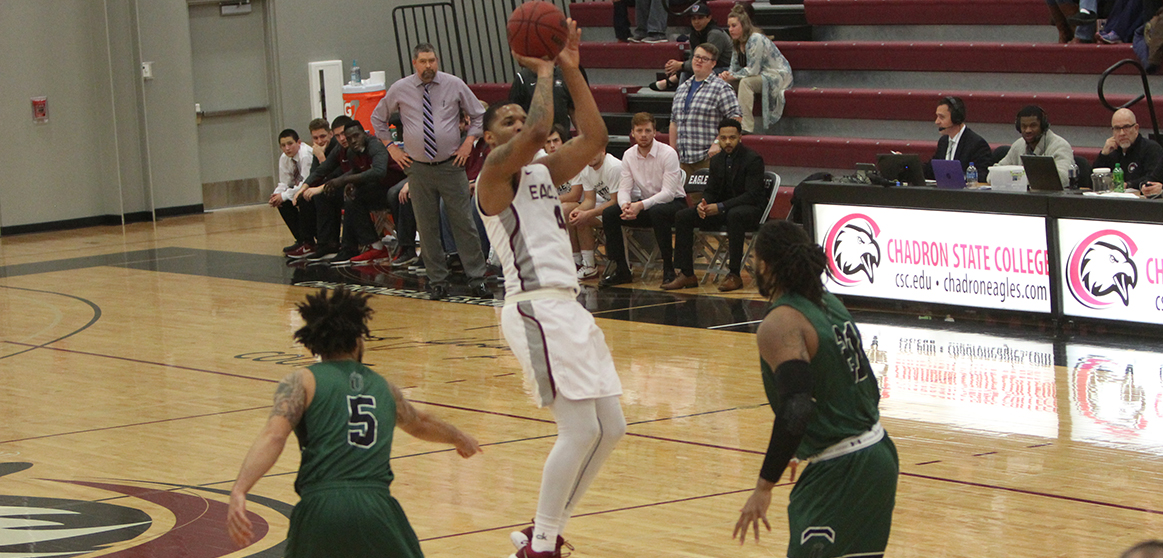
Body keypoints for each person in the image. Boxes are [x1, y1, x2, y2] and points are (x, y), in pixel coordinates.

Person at [476, 20, 625, 558]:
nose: (522, 124)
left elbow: (597, 139)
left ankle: (548, 528)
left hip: (568, 305)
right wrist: (541, 69)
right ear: (492, 138)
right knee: (579, 429)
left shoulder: (542, 171)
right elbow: (540, 130)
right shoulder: (493, 174)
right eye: (508, 120)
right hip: (533, 306)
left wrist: (570, 67)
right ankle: (541, 544)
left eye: (522, 116)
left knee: (611, 426)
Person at [225, 287, 481, 557]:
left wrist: (240, 489)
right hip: (377, 507)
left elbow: (273, 437)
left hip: (321, 507)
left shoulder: (301, 382)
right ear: (358, 339)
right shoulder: (385, 388)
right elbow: (420, 423)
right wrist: (458, 437)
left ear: (314, 341)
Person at [733, 220, 898, 558]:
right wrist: (805, 443)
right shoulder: (826, 301)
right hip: (875, 453)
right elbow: (837, 378)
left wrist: (764, 486)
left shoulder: (780, 323)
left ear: (765, 265)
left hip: (844, 468)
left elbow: (797, 407)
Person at [371, 43, 491, 300]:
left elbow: (479, 115)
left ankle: (477, 277)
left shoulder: (454, 84)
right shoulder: (400, 89)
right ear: (414, 63)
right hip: (418, 168)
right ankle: (437, 280)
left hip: (452, 165)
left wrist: (469, 142)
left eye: (432, 60)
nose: (429, 66)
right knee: (426, 227)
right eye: (423, 61)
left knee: (464, 223)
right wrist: (391, 148)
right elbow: (377, 119)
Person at [665, 118, 765, 292]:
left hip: (748, 210)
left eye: (732, 138)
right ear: (718, 138)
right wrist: (703, 205)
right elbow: (711, 190)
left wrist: (720, 207)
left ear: (740, 137)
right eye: (723, 138)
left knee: (735, 215)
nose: (727, 142)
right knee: (684, 216)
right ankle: (686, 273)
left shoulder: (753, 159)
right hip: (722, 208)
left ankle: (734, 274)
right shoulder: (717, 160)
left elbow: (751, 195)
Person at [297, 121, 405, 266]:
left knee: (387, 194)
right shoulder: (349, 150)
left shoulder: (375, 145)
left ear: (364, 134)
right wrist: (304, 187)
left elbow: (379, 172)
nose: (350, 140)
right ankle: (372, 246)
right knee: (350, 195)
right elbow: (329, 171)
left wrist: (343, 181)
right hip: (379, 189)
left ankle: (405, 247)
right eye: (346, 137)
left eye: (355, 136)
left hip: (398, 185)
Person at [600, 112, 686, 287]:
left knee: (658, 212)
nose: (644, 135)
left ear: (655, 132)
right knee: (610, 213)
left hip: (674, 204)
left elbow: (668, 193)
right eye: (639, 130)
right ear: (632, 133)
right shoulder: (629, 155)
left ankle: (669, 269)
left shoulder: (668, 153)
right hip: (646, 205)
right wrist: (626, 206)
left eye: (648, 130)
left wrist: (639, 205)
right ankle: (621, 269)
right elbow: (624, 188)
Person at [669, 43, 742, 176]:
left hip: (708, 158)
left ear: (713, 63)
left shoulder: (721, 88)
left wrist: (718, 142)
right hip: (683, 160)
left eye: (705, 59)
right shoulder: (682, 88)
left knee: (706, 197)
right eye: (697, 57)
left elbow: (735, 118)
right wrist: (672, 150)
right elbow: (674, 122)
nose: (699, 61)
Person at [719, 5, 793, 133]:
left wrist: (733, 76)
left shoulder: (755, 38)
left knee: (746, 83)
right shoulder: (737, 41)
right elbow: (734, 67)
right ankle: (726, 122)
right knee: (723, 82)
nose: (730, 30)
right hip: (758, 74)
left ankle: (746, 126)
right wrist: (727, 75)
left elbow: (754, 70)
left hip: (776, 74)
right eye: (729, 26)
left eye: (734, 26)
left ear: (744, 25)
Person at [295, 115, 356, 262]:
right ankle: (309, 241)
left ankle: (331, 243)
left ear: (330, 134)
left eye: (322, 136)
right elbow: (316, 173)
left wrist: (321, 157)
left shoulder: (339, 146)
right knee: (303, 198)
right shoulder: (318, 149)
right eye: (315, 138)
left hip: (345, 185)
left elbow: (338, 175)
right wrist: (303, 188)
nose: (319, 141)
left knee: (323, 195)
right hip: (334, 185)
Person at [650, 2, 733, 91]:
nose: (696, 22)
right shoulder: (695, 34)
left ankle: (674, 83)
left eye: (700, 18)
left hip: (723, 68)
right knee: (688, 71)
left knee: (696, 70)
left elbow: (707, 60)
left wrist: (681, 65)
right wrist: (679, 66)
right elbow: (692, 59)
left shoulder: (715, 34)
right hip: (708, 66)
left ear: (709, 18)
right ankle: (681, 95)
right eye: (693, 19)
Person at [568, 150, 623, 280]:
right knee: (578, 217)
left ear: (603, 151)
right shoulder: (586, 169)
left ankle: (611, 265)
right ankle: (587, 265)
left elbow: (615, 201)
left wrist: (587, 214)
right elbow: (589, 200)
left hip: (627, 206)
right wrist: (579, 211)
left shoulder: (613, 166)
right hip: (607, 206)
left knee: (585, 217)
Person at [997, 105, 1075, 188]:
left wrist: (1016, 178)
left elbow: (1063, 179)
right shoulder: (1018, 145)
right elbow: (993, 174)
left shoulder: (1060, 146)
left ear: (1043, 126)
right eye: (1024, 126)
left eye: (1033, 126)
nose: (1028, 130)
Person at [1094, 108, 1163, 196]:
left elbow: (1152, 180)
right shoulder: (1112, 152)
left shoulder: (1151, 149)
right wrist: (1103, 155)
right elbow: (1094, 182)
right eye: (1117, 128)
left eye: (1126, 127)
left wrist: (1128, 184)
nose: (1122, 133)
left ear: (1136, 128)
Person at [922, 96, 993, 179]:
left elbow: (983, 175)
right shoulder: (943, 142)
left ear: (956, 118)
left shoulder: (977, 144)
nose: (937, 122)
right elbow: (931, 170)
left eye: (942, 117)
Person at [272, 128, 315, 256]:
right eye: (283, 145)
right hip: (299, 189)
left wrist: (284, 196)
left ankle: (309, 242)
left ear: (299, 142)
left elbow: (305, 184)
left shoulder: (306, 155)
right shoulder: (284, 158)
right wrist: (276, 195)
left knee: (301, 198)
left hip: (312, 188)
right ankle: (301, 240)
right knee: (281, 203)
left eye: (290, 144)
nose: (287, 148)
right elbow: (285, 182)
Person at [509, 66, 577, 133]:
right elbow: (515, 111)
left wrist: (581, 133)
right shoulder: (522, 78)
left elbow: (572, 109)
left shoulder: (563, 75)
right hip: (535, 136)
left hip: (562, 136)